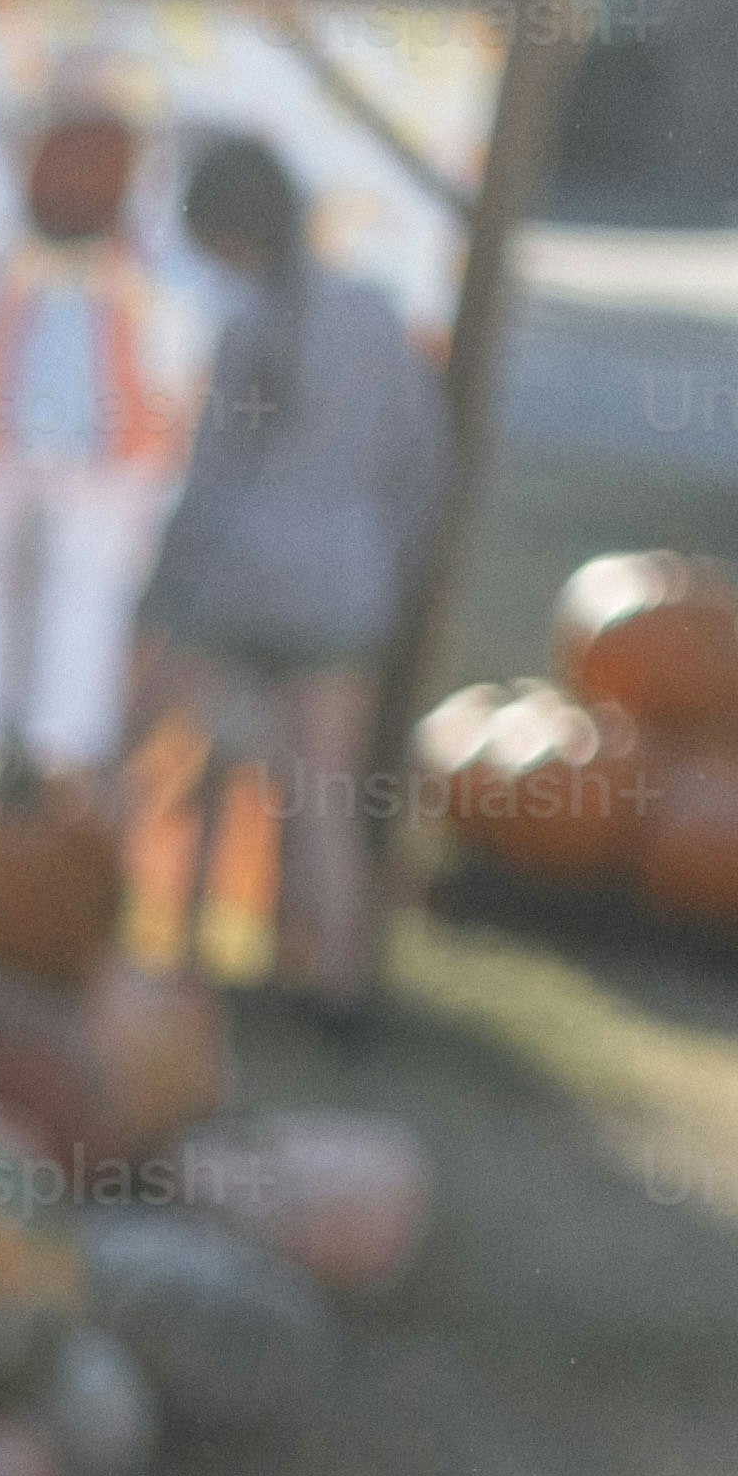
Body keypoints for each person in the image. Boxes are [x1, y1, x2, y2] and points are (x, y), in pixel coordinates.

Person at [128, 127, 443, 1028]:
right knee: (322, 797)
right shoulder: (375, 319)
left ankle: (183, 958)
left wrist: (161, 598)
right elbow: (419, 460)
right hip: (341, 589)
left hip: (238, 584)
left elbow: (212, 478)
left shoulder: (248, 329)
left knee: (206, 766)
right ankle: (337, 989)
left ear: (224, 233)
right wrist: (390, 564)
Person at [0, 67, 183, 790]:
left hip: (101, 472)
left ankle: (60, 757)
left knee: (81, 605)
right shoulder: (6, 262)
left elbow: (149, 391)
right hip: (10, 460)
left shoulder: (141, 275)